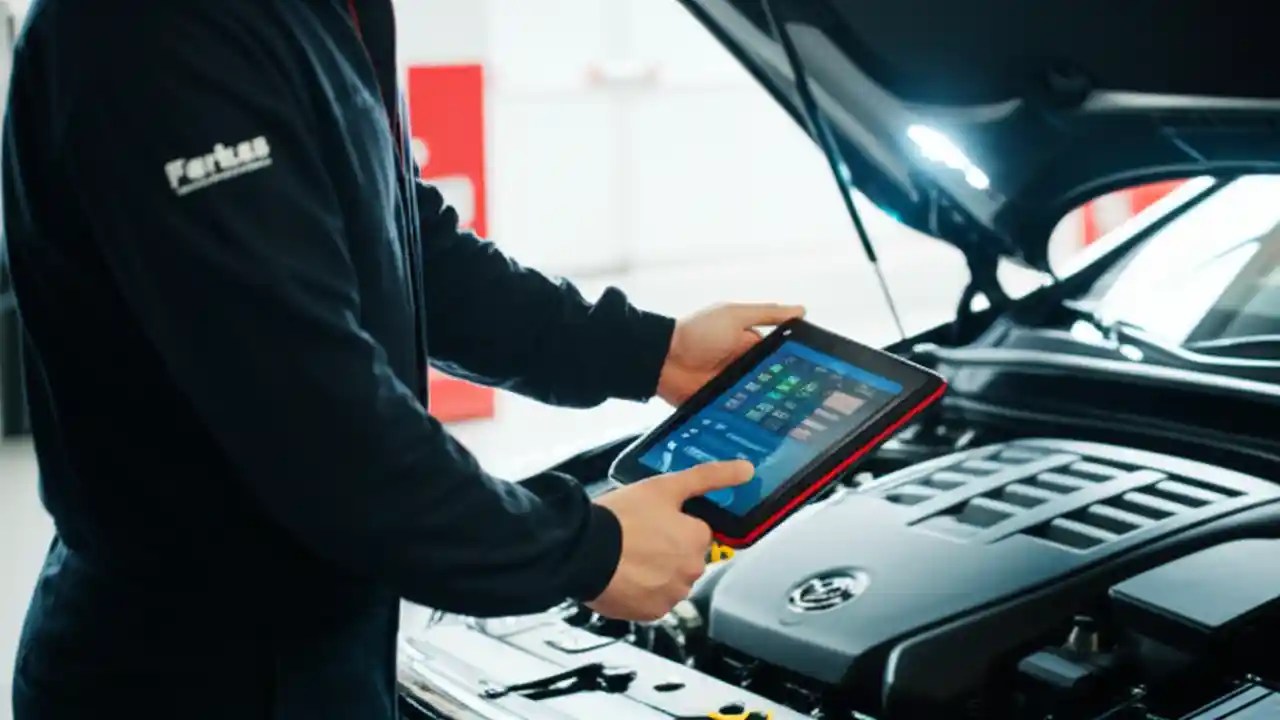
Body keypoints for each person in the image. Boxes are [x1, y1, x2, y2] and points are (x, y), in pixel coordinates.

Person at [2, 1, 804, 718]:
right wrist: (584, 550)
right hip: (187, 669)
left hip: (325, 636)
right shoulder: (155, 32)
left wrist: (649, 352)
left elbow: (407, 241)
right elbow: (313, 425)